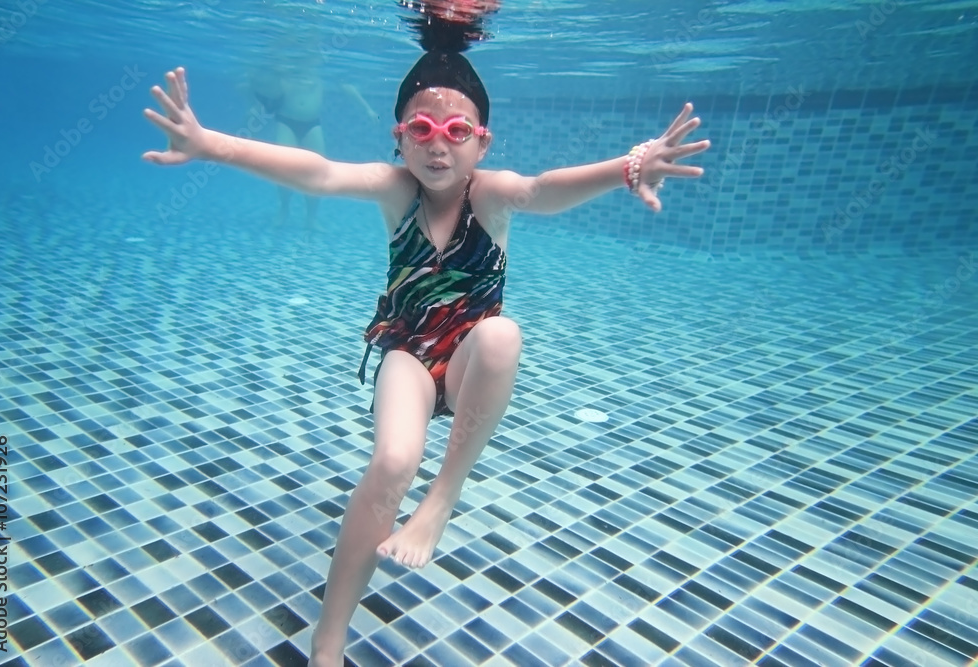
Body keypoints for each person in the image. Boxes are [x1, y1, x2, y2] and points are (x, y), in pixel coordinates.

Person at [142, 8, 709, 666]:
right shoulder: (395, 189)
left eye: (455, 131)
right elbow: (317, 172)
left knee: (501, 336)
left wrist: (628, 166)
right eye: (422, 129)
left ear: (482, 141)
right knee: (389, 464)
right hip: (410, 358)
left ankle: (441, 500)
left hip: (470, 365)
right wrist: (212, 144)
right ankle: (328, 639)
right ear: (401, 136)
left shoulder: (492, 193)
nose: (438, 146)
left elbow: (544, 189)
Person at [246, 53, 380, 227]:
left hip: (312, 124)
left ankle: (311, 217)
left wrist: (367, 109)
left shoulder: (319, 74)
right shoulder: (286, 75)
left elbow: (346, 87)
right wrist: (255, 108)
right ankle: (284, 208)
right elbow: (271, 93)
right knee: (282, 169)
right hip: (286, 122)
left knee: (317, 172)